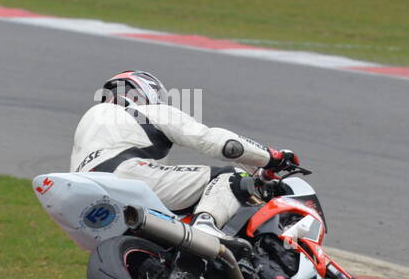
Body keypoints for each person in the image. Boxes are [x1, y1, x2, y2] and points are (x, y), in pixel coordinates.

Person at [70, 71, 300, 242]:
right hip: (126, 176)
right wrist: (271, 157)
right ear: (143, 92)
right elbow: (221, 144)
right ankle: (206, 224)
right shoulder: (145, 111)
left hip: (84, 198)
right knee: (231, 176)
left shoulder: (88, 129)